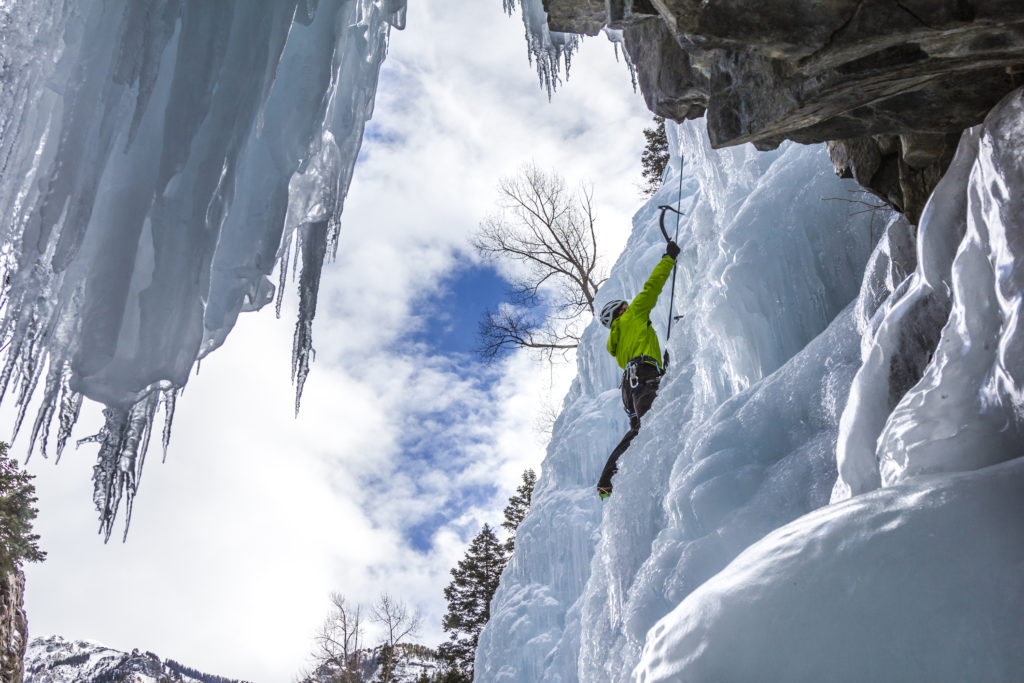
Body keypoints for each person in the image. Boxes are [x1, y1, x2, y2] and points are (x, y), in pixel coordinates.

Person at [595, 239, 680, 499]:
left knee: (639, 432)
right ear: (621, 311)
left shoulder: (616, 343)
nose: (629, 306)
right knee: (649, 424)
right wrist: (668, 258)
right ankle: (608, 480)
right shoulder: (633, 315)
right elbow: (651, 287)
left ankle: (612, 482)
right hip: (643, 376)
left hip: (629, 388)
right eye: (625, 306)